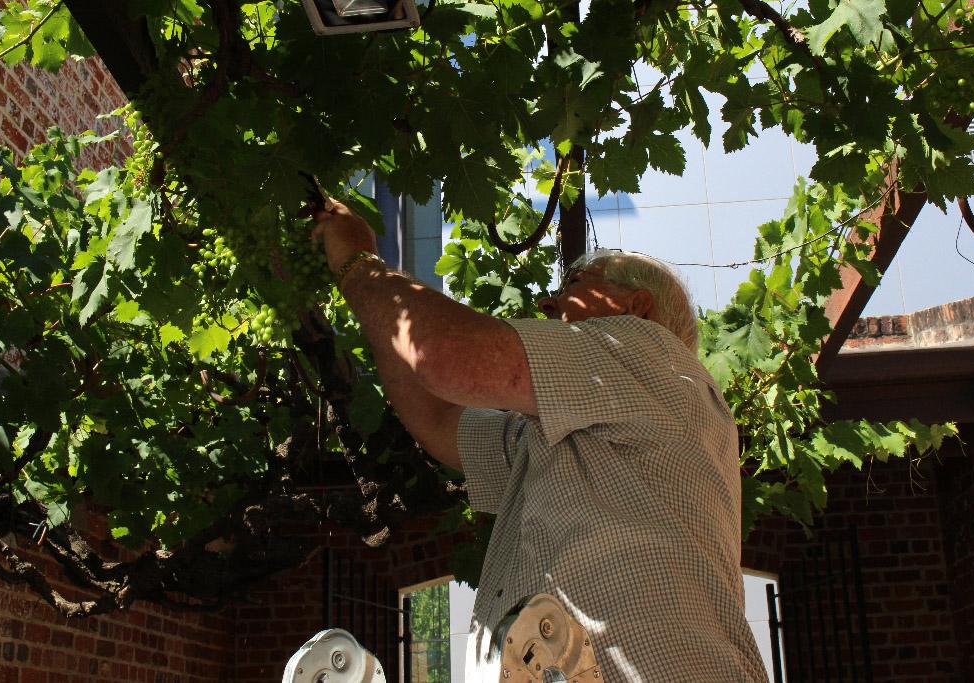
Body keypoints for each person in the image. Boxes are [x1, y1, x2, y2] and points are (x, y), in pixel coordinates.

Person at [311, 199, 768, 682]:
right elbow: (437, 419)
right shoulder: (561, 434)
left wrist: (359, 265)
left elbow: (445, 355)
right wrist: (368, 297)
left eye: (574, 285)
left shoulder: (646, 350)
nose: (547, 304)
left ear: (636, 309)